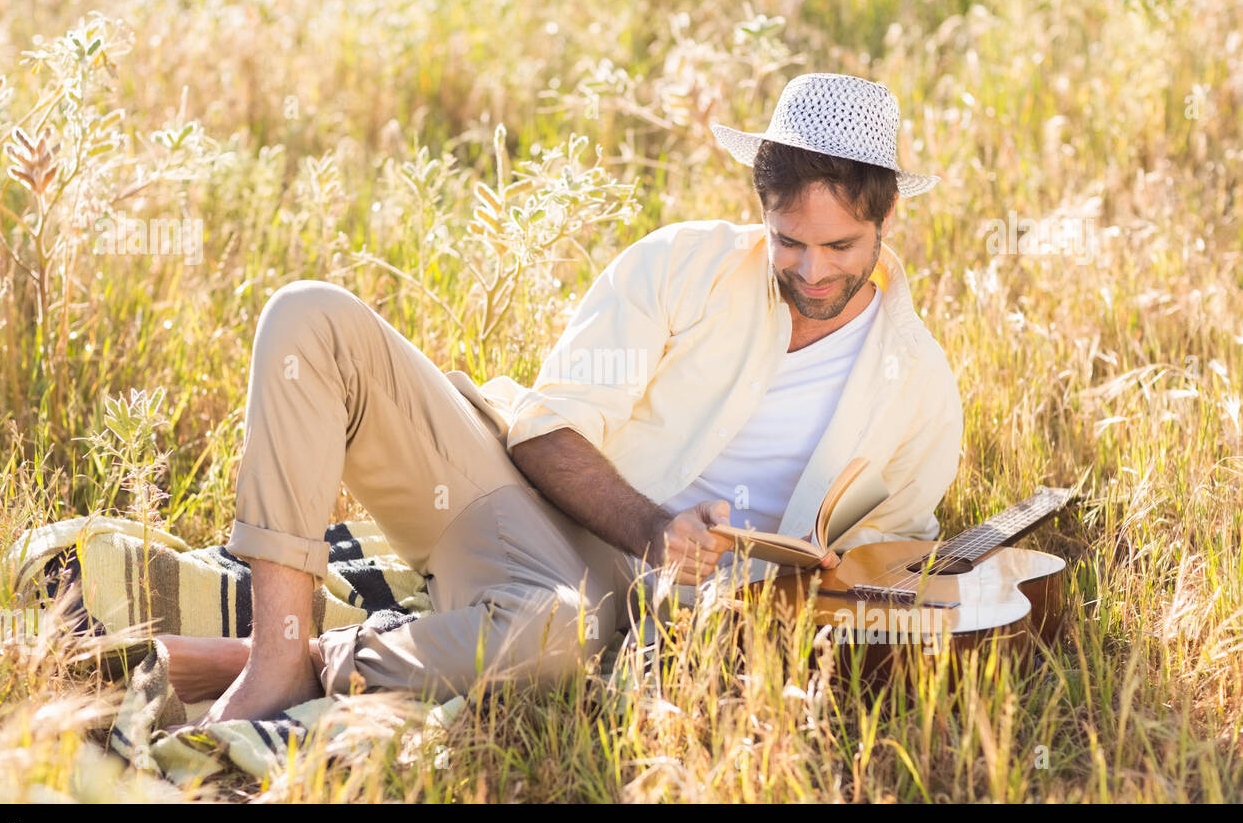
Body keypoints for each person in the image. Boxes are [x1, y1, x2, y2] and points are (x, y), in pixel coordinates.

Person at [158, 72, 963, 722]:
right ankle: (272, 661)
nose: (813, 271)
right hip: (519, 509)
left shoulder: (919, 389)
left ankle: (316, 662)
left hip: (627, 617)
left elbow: (892, 559)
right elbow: (545, 430)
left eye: (839, 246)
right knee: (308, 314)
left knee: (563, 630)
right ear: (761, 212)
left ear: (890, 215)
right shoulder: (682, 265)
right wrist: (655, 528)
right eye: (790, 240)